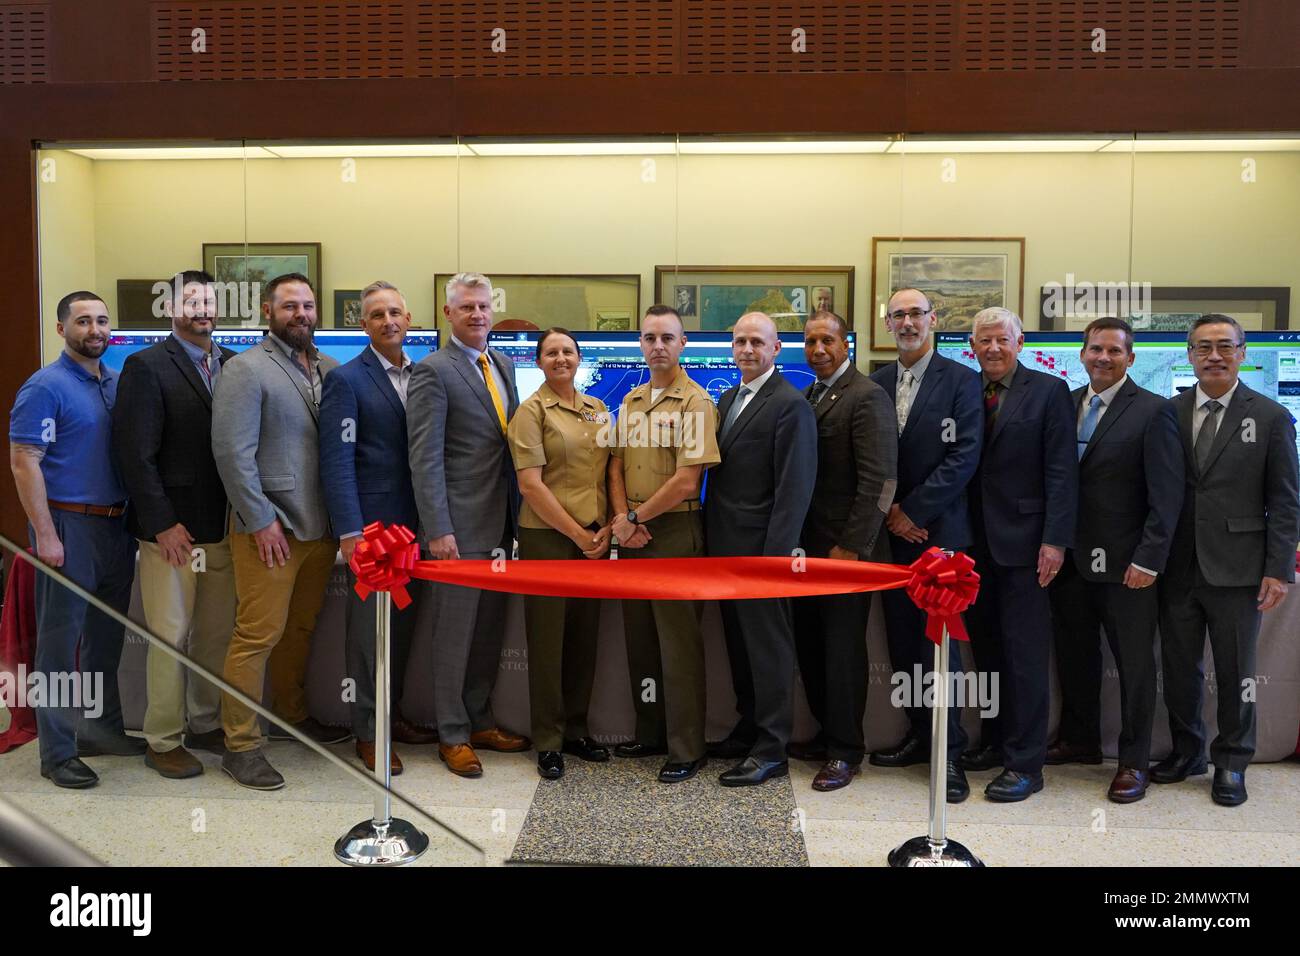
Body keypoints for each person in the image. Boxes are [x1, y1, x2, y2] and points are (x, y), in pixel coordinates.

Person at [1156, 314, 1299, 806]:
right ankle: (1186, 751)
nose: (1213, 356)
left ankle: (1232, 761)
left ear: (1242, 352)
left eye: (1224, 346)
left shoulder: (1271, 417)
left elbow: (1285, 501)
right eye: (1203, 347)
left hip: (1239, 567)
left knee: (1238, 672)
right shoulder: (1168, 413)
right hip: (1176, 565)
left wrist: (1278, 568)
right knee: (1179, 667)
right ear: (1189, 354)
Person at [211, 272, 347, 791]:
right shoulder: (246, 370)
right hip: (271, 527)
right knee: (257, 636)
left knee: (300, 630)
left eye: (308, 306)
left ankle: (292, 716)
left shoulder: (330, 369)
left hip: (321, 529)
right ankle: (240, 745)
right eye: (289, 306)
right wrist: (258, 518)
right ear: (267, 311)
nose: (301, 314)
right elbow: (232, 453)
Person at [9, 291, 142, 789]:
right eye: (83, 321)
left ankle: (101, 732)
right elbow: (25, 461)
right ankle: (58, 753)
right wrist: (45, 534)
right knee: (60, 648)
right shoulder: (45, 386)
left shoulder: (114, 382)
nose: (96, 330)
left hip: (114, 526)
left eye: (103, 321)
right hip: (67, 526)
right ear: (62, 328)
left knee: (105, 640)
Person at [1047, 317, 1184, 804]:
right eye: (1094, 350)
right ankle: (1080, 740)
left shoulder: (1153, 412)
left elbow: (1167, 497)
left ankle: (1133, 761)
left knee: (1134, 666)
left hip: (1128, 567)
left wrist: (1149, 559)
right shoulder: (1063, 405)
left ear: (1131, 358)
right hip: (1071, 561)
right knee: (1075, 656)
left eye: (1113, 351)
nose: (1103, 358)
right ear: (1081, 355)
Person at [112, 270, 237, 779]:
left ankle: (205, 721)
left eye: (209, 301)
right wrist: (163, 522)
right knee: (170, 633)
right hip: (170, 534)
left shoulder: (231, 364)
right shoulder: (145, 367)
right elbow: (134, 456)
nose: (202, 310)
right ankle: (163, 738)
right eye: (191, 301)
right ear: (171, 308)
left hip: (226, 528)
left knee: (213, 636)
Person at [407, 272, 530, 778]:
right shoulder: (433, 371)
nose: (477, 315)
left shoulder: (500, 363)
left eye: (483, 307)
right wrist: (438, 527)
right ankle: (451, 734)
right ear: (448, 313)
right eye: (467, 308)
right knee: (454, 635)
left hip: (501, 524)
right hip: (457, 529)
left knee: (487, 635)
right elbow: (425, 457)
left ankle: (478, 719)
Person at [319, 281, 438, 777]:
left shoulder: (424, 375)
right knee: (370, 636)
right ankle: (368, 730)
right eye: (376, 315)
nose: (388, 321)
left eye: (395, 312)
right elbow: (337, 462)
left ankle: (395, 716)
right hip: (373, 533)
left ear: (409, 319)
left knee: (404, 628)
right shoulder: (348, 380)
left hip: (419, 529)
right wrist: (350, 532)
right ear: (363, 325)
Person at [869, 288, 983, 803]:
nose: (908, 321)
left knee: (942, 650)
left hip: (940, 539)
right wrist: (891, 517)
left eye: (917, 313)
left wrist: (912, 513)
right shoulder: (876, 383)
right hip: (890, 540)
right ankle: (919, 735)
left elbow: (963, 457)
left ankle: (950, 752)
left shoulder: (962, 381)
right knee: (903, 642)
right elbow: (870, 458)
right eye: (899, 315)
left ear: (933, 319)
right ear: (888, 324)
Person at [965, 307, 1077, 802]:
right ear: (972, 345)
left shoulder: (1049, 392)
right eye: (983, 341)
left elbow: (1061, 473)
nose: (992, 348)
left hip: (1028, 546)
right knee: (987, 652)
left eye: (1001, 340)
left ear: (1019, 342)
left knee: (1025, 658)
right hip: (974, 547)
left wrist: (1055, 540)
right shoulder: (968, 390)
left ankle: (1026, 763)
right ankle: (993, 742)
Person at [608, 305, 721, 783]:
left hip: (673, 531)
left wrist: (634, 518)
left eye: (667, 338)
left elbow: (685, 481)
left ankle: (686, 747)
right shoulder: (631, 401)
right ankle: (651, 733)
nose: (658, 346)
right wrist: (621, 520)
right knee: (642, 643)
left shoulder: (696, 403)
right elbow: (614, 466)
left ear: (682, 344)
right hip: (633, 533)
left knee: (678, 648)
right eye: (650, 337)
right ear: (641, 343)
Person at [706, 311, 818, 786]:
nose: (747, 350)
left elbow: (795, 486)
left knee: (769, 650)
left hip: (763, 555)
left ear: (776, 349)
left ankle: (772, 748)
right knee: (740, 646)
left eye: (757, 342)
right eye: (739, 342)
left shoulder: (790, 404)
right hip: (727, 551)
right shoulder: (730, 397)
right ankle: (748, 726)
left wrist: (774, 559)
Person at [790, 310, 897, 792]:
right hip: (806, 552)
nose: (818, 349)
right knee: (811, 645)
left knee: (841, 651)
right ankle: (823, 735)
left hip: (845, 553)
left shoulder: (867, 396)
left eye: (827, 341)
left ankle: (846, 751)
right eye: (810, 341)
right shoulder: (808, 395)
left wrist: (852, 546)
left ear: (845, 345)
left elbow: (881, 480)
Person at [508, 328, 613, 779]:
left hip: (594, 538)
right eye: (551, 353)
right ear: (539, 361)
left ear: (578, 357)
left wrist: (608, 528)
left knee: (584, 639)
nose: (561, 358)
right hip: (549, 540)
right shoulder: (530, 413)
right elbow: (530, 485)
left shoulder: (598, 409)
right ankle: (548, 740)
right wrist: (576, 534)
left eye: (568, 351)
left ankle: (576, 729)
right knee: (548, 643)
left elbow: (612, 472)